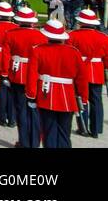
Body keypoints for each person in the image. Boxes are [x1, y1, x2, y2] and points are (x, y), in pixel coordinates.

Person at [26, 18, 89, 148]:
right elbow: (82, 78)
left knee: (49, 132)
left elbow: (31, 75)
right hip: (67, 96)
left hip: (46, 94)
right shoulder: (74, 52)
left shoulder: (38, 50)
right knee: (64, 132)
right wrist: (83, 98)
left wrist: (31, 96)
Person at [0, 4, 44, 148]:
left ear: (19, 21)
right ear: (32, 22)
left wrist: (5, 73)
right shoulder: (40, 35)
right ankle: (34, 142)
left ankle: (24, 142)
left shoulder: (11, 34)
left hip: (17, 73)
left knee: (21, 110)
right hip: (36, 75)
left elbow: (5, 55)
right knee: (35, 111)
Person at [70, 8, 107, 138]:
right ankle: (96, 129)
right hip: (96, 70)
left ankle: (83, 127)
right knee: (96, 100)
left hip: (81, 70)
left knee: (81, 99)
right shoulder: (103, 37)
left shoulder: (73, 35)